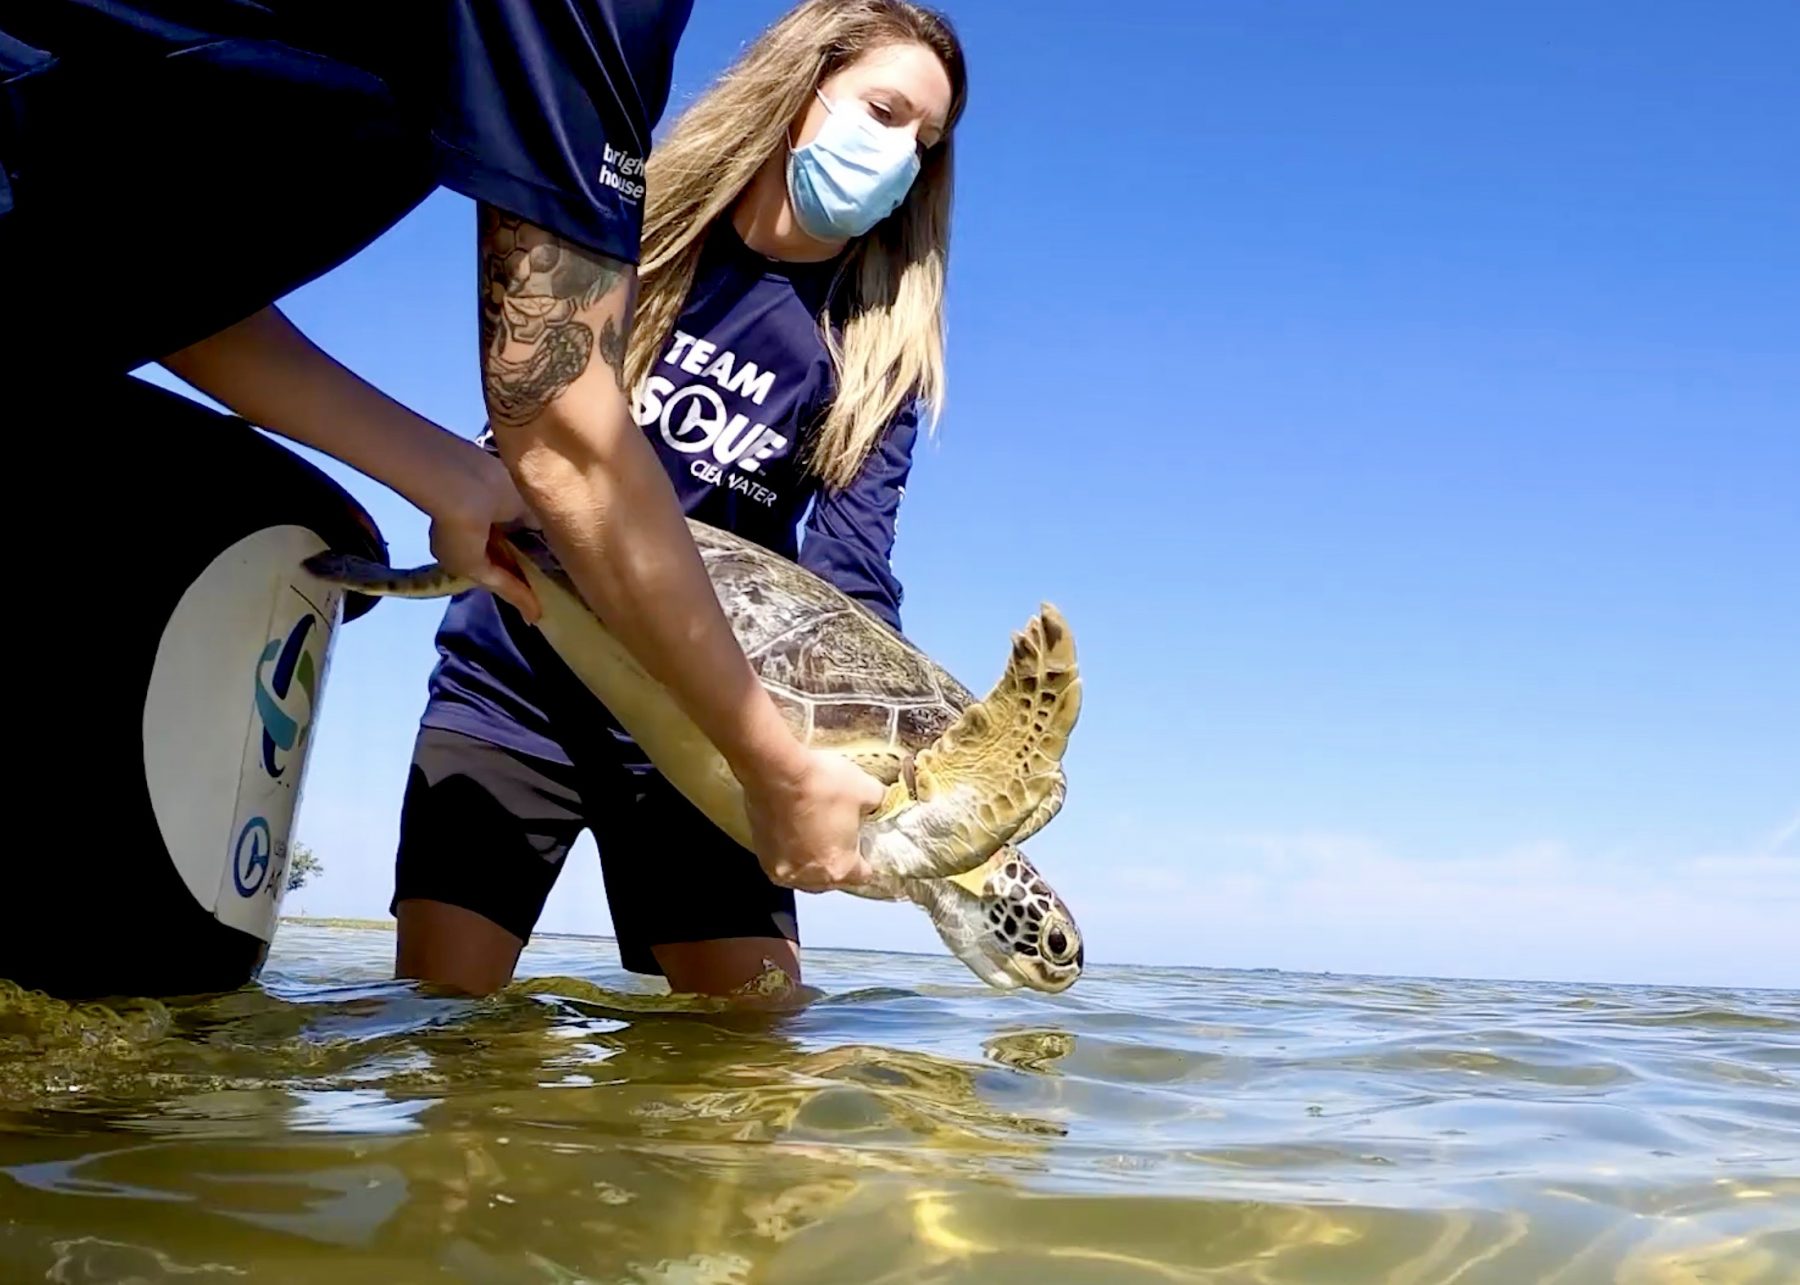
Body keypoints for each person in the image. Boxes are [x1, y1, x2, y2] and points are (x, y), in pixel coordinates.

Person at [1, 1, 885, 895]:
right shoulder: (592, 23)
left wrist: (448, 472)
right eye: (886, 111)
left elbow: (161, 281)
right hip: (520, 680)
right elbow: (565, 428)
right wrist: (778, 765)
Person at [395, 0, 966, 995]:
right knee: (440, 1043)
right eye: (883, 111)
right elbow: (529, 437)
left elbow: (851, 583)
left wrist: (875, 773)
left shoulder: (874, 351)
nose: (901, 155)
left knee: (755, 1072)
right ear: (801, 90)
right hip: (513, 678)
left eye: (924, 142)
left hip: (703, 726)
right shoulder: (626, 228)